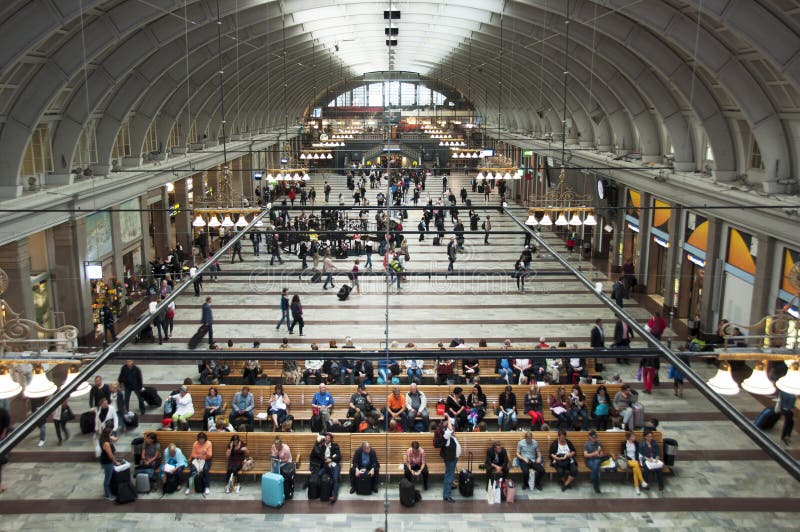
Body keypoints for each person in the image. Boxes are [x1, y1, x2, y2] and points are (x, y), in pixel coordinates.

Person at [309, 432, 341, 504]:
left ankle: (334, 496)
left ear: (331, 439)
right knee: (318, 475)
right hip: (325, 465)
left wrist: (331, 459)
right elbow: (318, 455)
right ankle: (319, 493)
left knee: (335, 478)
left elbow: (338, 456)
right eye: (326, 438)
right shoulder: (321, 447)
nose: (327, 439)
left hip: (334, 464)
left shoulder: (335, 446)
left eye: (329, 438)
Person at [99, 426, 120, 501]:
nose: (111, 435)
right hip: (108, 462)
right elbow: (110, 455)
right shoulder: (106, 444)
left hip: (105, 460)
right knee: (107, 479)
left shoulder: (103, 439)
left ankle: (111, 491)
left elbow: (116, 439)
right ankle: (107, 495)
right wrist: (115, 462)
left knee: (111, 475)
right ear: (107, 434)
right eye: (110, 434)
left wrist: (112, 438)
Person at [441, 420, 459, 502]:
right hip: (451, 459)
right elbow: (448, 432)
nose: (453, 428)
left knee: (449, 475)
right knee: (449, 476)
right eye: (452, 426)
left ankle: (448, 490)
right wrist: (448, 420)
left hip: (453, 458)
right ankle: (446, 496)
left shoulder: (451, 436)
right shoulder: (447, 436)